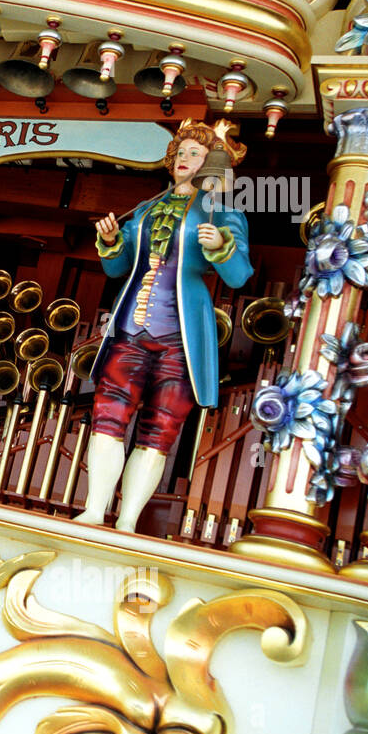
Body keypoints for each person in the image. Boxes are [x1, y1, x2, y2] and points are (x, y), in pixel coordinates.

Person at [74, 119, 252, 532]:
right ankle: (96, 509)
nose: (186, 159)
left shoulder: (224, 213)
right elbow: (117, 267)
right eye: (182, 152)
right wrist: (112, 240)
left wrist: (221, 247)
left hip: (181, 339)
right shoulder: (145, 211)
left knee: (160, 428)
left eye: (197, 154)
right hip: (131, 331)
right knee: (108, 414)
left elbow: (239, 276)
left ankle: (129, 520)